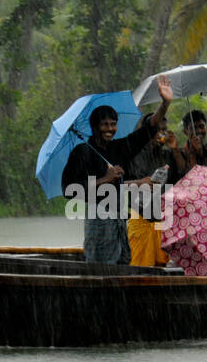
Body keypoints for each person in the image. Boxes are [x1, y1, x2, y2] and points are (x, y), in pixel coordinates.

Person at [61, 76, 173, 263]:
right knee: (101, 266)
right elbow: (68, 189)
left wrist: (165, 104)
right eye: (104, 124)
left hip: (120, 216)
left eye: (113, 124)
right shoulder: (82, 152)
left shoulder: (118, 148)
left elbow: (147, 131)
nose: (110, 129)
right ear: (95, 127)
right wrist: (104, 179)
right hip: (99, 218)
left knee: (123, 261)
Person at [124, 114, 181, 267]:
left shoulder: (167, 155)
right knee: (139, 267)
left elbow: (182, 175)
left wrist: (175, 148)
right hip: (140, 217)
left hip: (163, 219)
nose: (162, 134)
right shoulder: (132, 156)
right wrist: (139, 183)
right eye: (157, 130)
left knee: (163, 266)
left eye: (164, 130)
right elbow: (119, 184)